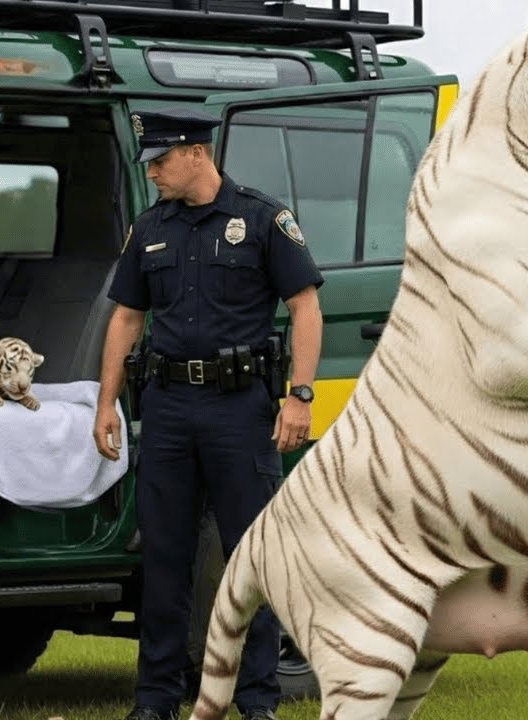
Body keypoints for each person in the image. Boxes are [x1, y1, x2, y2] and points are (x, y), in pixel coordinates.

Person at [93, 107, 325, 720]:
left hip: (239, 409)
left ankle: (256, 702)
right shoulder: (149, 229)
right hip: (167, 410)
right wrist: (105, 405)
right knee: (165, 559)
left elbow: (305, 307)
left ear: (197, 152)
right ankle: (155, 702)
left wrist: (299, 396)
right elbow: (125, 318)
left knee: (253, 557)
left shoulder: (262, 218)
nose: (154, 174)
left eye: (161, 161)